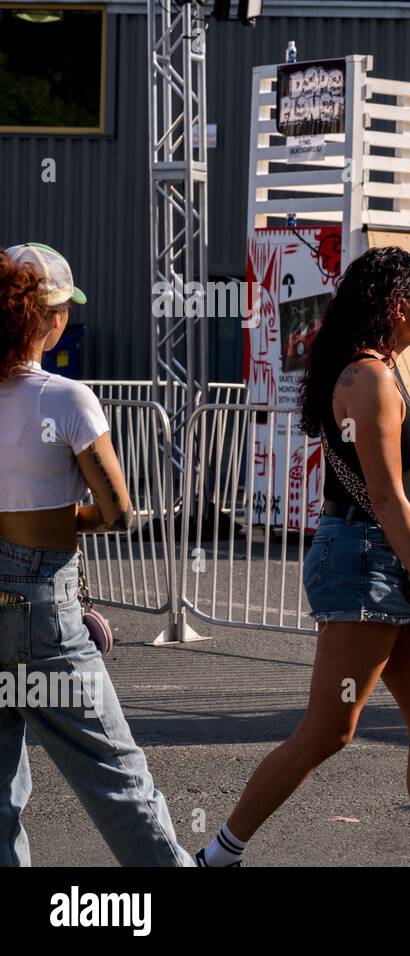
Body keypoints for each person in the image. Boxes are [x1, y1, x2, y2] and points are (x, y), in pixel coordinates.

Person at [195, 246, 410, 868]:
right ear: (397, 306)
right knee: (330, 729)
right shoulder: (367, 379)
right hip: (366, 566)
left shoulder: (379, 370)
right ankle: (217, 855)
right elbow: (385, 495)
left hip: (385, 563)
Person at [0, 244, 192, 867]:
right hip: (42, 608)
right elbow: (116, 511)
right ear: (48, 317)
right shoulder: (66, 398)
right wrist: (54, 519)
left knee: (1, 794)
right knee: (116, 775)